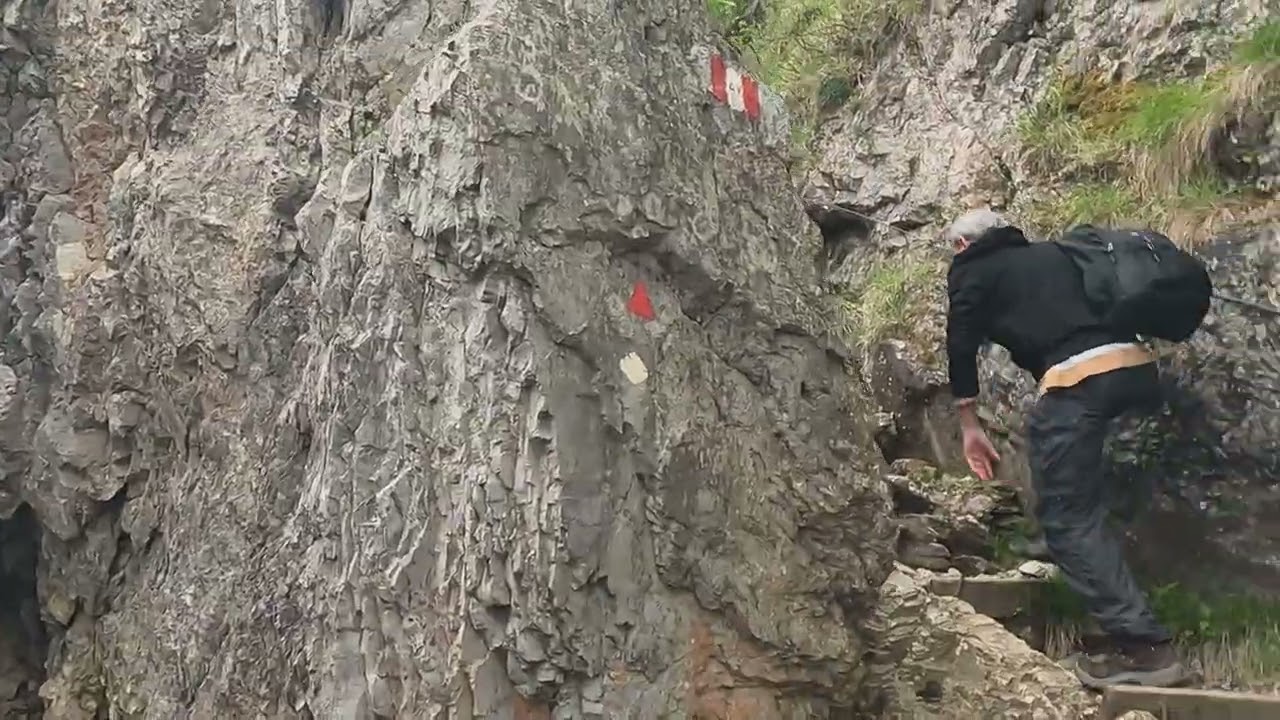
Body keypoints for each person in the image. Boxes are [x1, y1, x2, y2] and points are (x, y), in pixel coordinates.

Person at [942, 208, 1186, 689]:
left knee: (1066, 519)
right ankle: (1111, 618)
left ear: (962, 246)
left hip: (1079, 380)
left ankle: (1146, 651)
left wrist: (969, 425)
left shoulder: (972, 268)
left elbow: (960, 341)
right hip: (1136, 369)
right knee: (1094, 498)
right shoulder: (1056, 251)